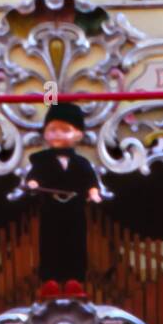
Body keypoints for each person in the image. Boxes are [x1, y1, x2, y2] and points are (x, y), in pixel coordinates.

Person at [26, 103, 102, 300]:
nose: (58, 134)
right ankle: (49, 280)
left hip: (75, 212)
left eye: (65, 130)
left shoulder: (81, 163)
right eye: (53, 129)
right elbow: (33, 177)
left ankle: (74, 281)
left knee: (75, 244)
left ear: (77, 135)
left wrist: (93, 192)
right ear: (45, 133)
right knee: (50, 244)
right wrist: (33, 183)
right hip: (50, 211)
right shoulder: (41, 161)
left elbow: (90, 180)